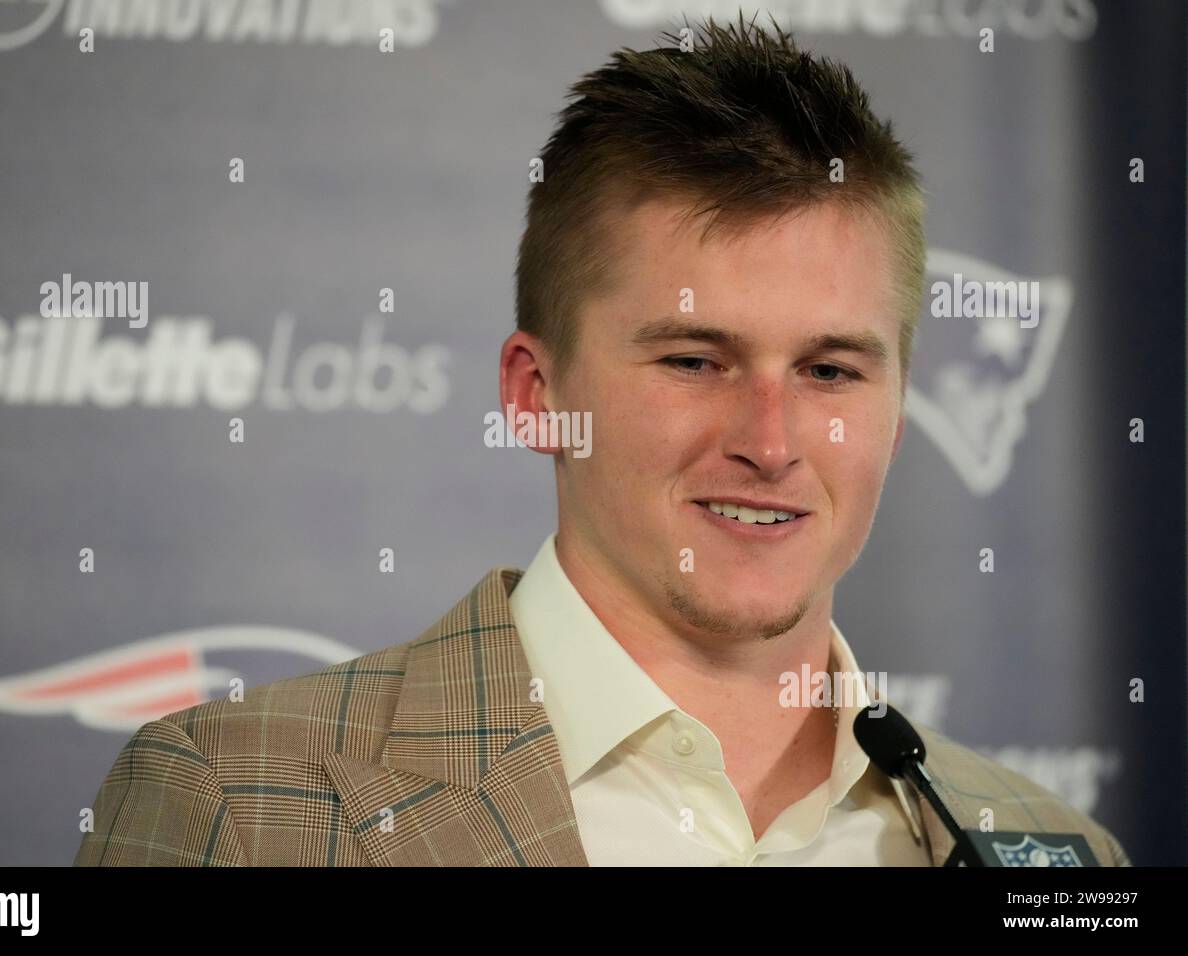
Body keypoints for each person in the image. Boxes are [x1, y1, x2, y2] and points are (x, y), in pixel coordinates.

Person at [75, 16, 1129, 867]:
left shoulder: (1047, 852)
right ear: (536, 394)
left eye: (828, 370)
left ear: (894, 415)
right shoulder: (240, 804)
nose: (770, 441)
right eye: (691, 360)